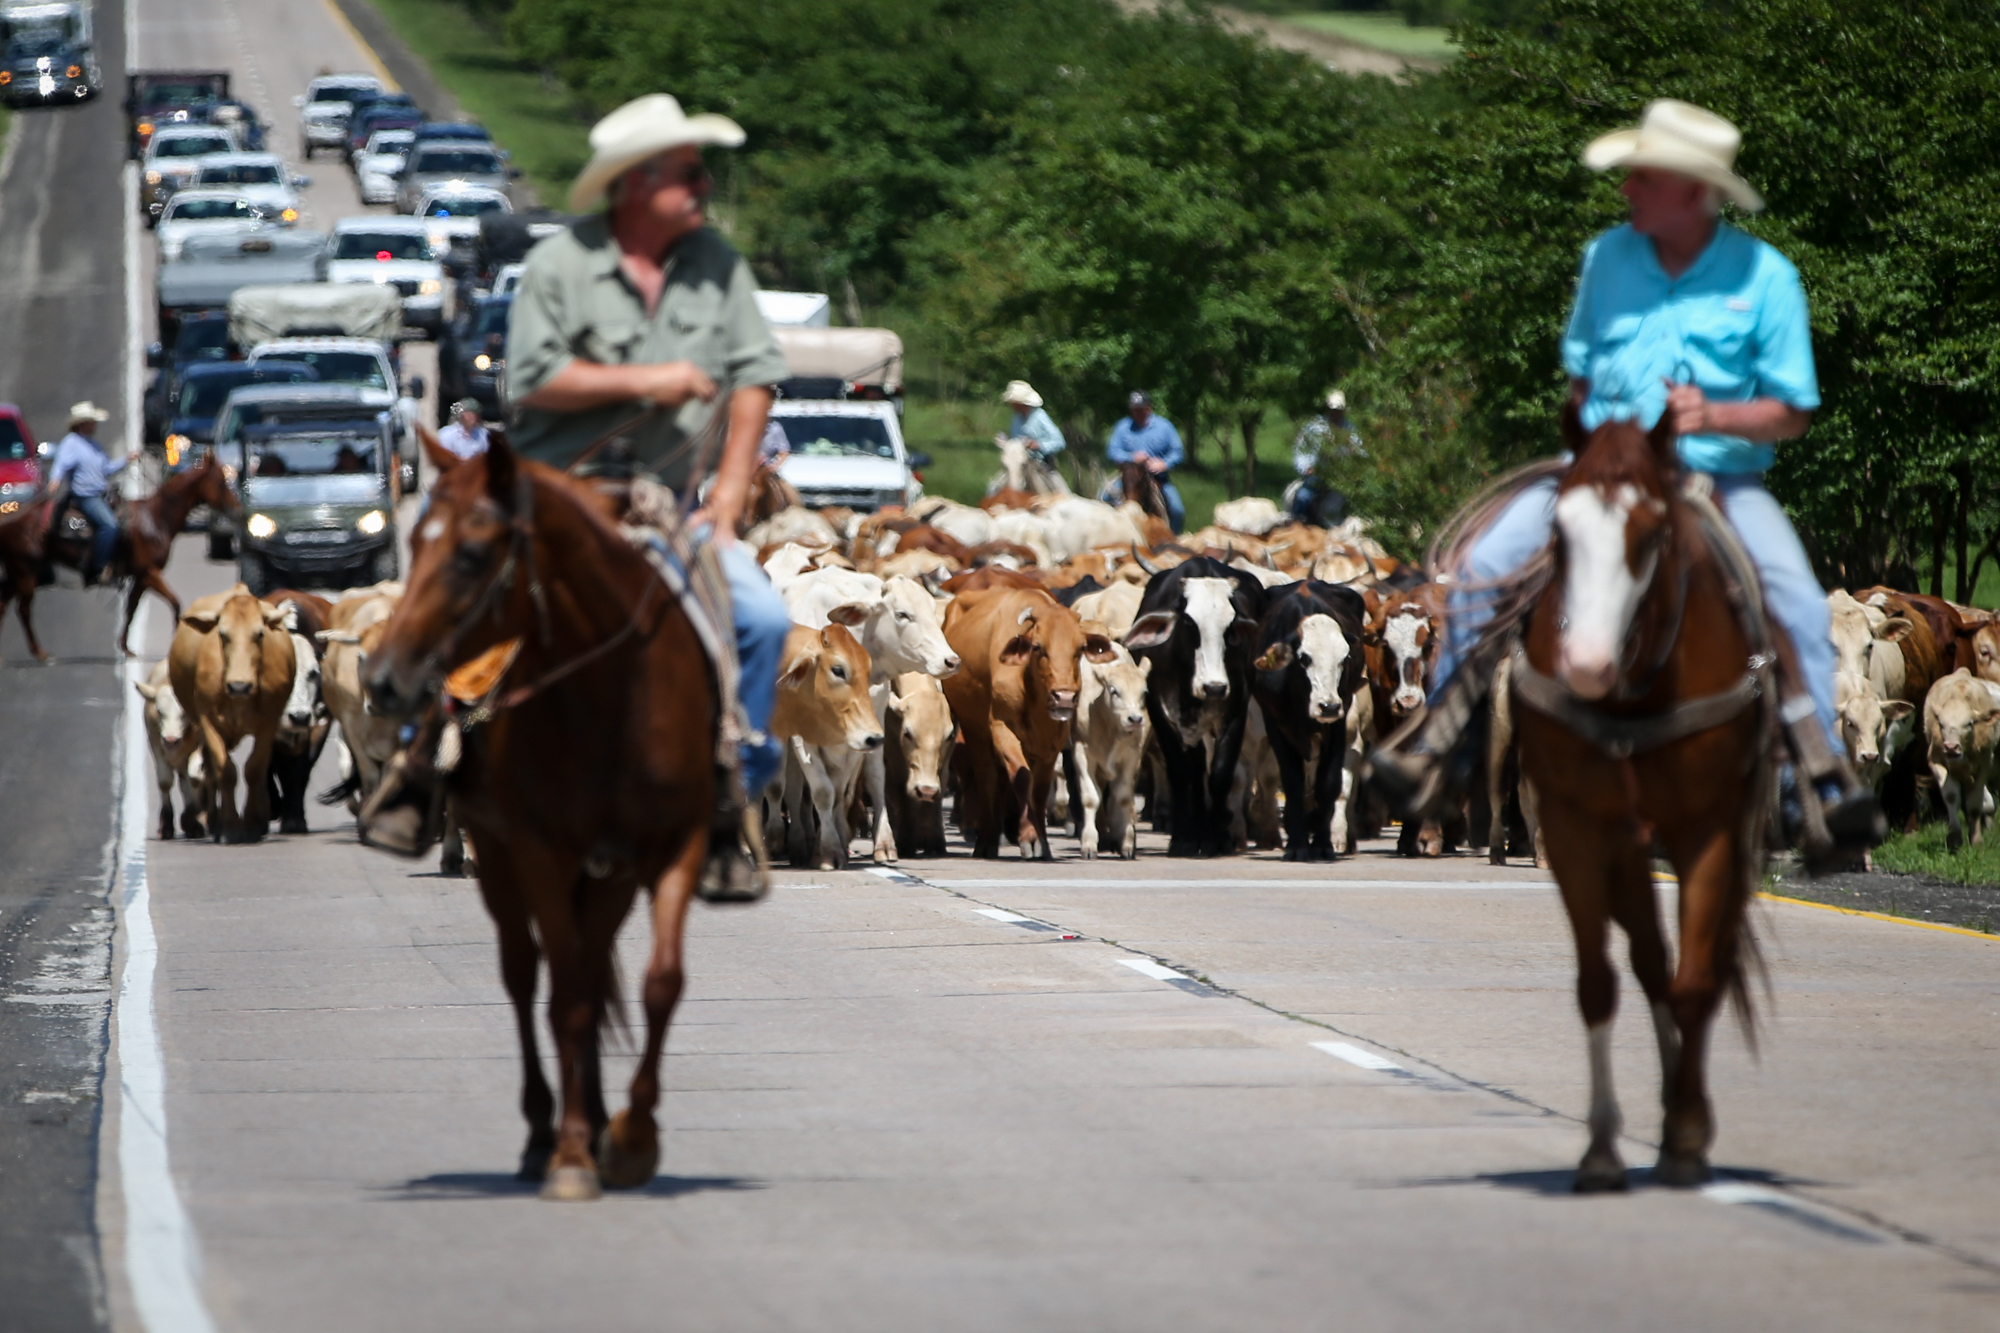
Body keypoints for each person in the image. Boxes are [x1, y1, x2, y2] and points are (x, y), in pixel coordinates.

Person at [1369, 99, 1875, 851]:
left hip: (1714, 481)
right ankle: (1441, 739)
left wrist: (1718, 416)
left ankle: (1820, 776)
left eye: (1647, 175)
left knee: (1800, 603)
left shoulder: (1767, 278)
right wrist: (1590, 449)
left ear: (1696, 192)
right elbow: (1580, 378)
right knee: (1477, 570)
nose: (1629, 187)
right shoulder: (1607, 257)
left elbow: (1793, 410)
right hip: (1597, 474)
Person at [383, 93, 791, 896]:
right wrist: (654, 376)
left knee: (765, 618)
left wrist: (731, 501)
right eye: (687, 172)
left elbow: (754, 380)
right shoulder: (561, 269)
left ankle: (729, 783)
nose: (703, 185)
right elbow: (531, 386)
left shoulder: (717, 268)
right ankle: (420, 756)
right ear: (638, 183)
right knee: (461, 590)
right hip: (561, 495)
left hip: (668, 505)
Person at [48, 401, 124, 582]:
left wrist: (127, 460)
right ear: (83, 423)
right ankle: (97, 568)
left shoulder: (94, 445)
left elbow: (106, 469)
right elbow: (61, 464)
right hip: (86, 496)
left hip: (101, 493)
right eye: (92, 421)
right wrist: (55, 480)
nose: (95, 425)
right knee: (110, 526)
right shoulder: (71, 443)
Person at [1104, 391, 1185, 533]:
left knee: (1177, 509)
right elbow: (1112, 451)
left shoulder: (1164, 427)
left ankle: (1174, 538)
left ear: (1149, 408)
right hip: (1128, 477)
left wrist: (1164, 464)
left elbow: (1177, 452)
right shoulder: (1122, 427)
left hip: (1156, 478)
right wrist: (1131, 457)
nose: (1137, 412)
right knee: (1104, 498)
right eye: (1134, 409)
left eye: (1140, 409)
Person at [1288, 390, 1363, 525]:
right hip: (1319, 474)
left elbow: (1361, 451)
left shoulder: (1349, 428)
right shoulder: (1314, 427)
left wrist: (1354, 454)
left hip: (1342, 477)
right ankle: (1298, 524)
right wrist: (1306, 468)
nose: (1337, 413)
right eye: (1334, 410)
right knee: (1303, 496)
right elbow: (1302, 449)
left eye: (1339, 410)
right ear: (1328, 409)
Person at [1000, 380, 1065, 463]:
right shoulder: (1016, 417)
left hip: (1042, 462)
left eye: (1012, 402)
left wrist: (1039, 445)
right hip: (1018, 461)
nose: (1010, 405)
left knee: (1053, 476)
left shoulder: (1040, 416)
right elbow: (1015, 438)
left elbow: (1059, 441)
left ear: (1019, 403)